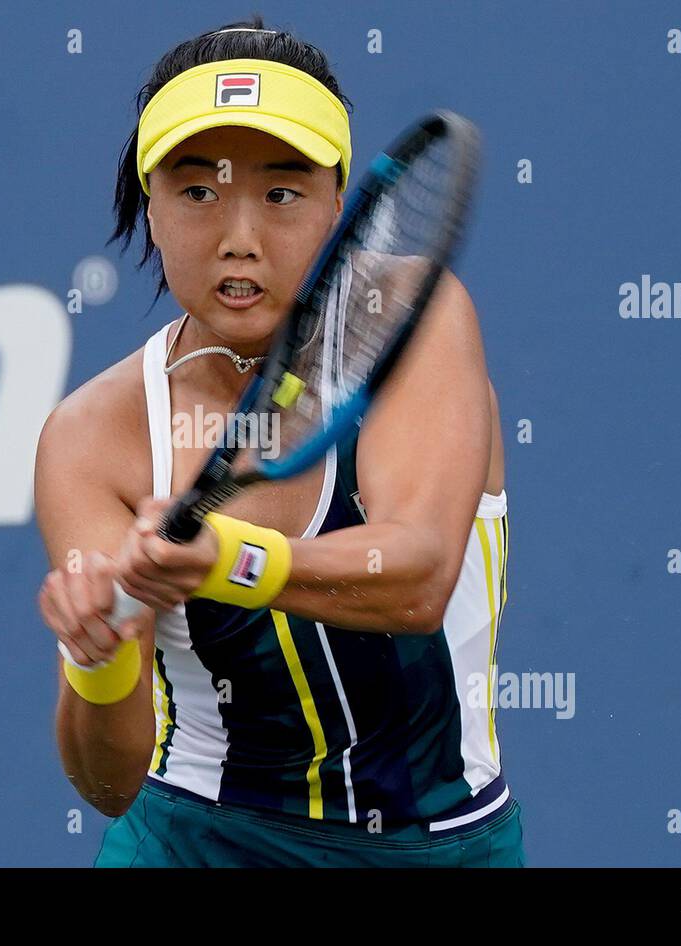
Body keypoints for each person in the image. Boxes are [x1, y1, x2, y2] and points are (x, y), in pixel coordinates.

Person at [34, 17, 523, 866]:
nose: (239, 237)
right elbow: (109, 787)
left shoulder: (414, 316)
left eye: (282, 193)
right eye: (197, 192)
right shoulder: (90, 437)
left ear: (340, 205)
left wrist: (218, 559)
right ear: (149, 209)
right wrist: (100, 657)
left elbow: (415, 576)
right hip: (191, 843)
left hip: (438, 852)